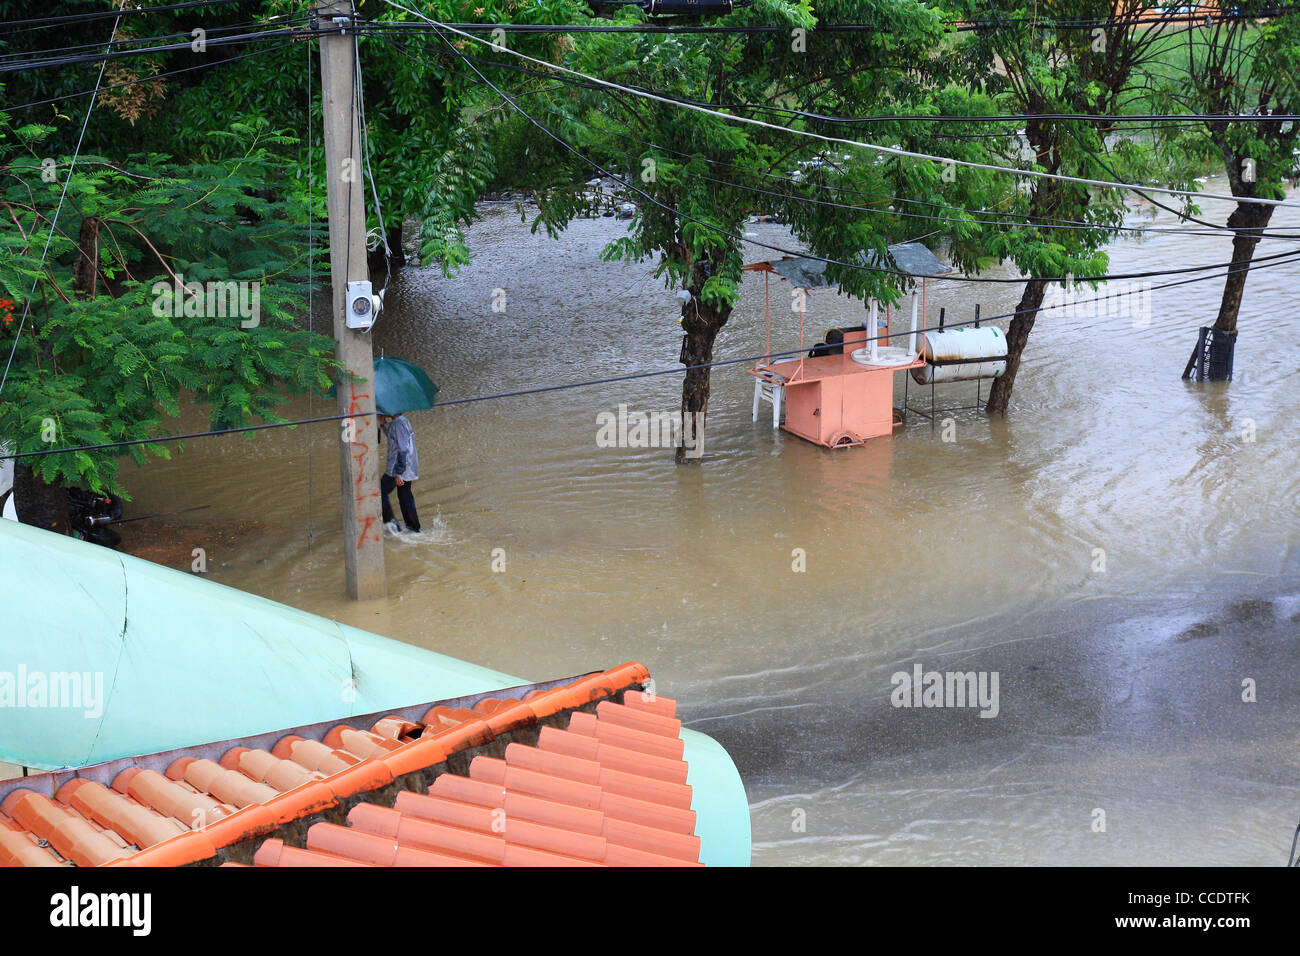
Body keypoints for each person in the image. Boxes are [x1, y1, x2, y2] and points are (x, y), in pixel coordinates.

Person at [378, 412, 421, 533]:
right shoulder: (402, 421)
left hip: (398, 468)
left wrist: (398, 473)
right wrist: (383, 424)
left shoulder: (398, 424)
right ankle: (413, 527)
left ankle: (392, 526)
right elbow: (395, 439)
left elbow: (402, 449)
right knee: (404, 496)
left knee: (380, 491)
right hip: (407, 466)